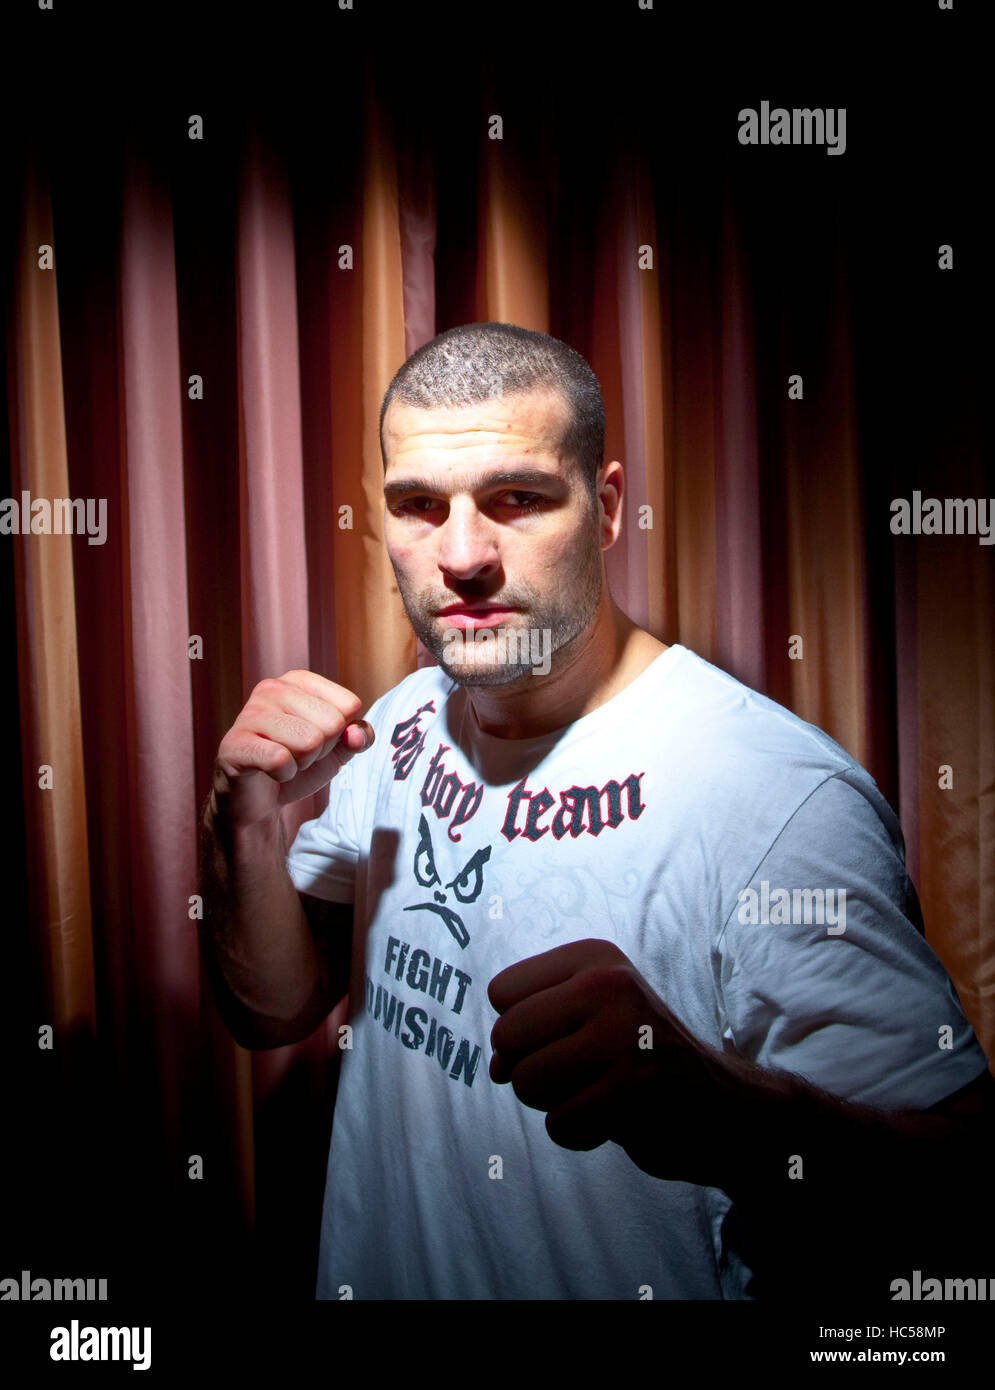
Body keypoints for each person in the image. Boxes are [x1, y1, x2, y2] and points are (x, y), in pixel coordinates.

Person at [200, 322, 994, 1301]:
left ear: (607, 506)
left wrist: (724, 1110)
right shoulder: (401, 719)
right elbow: (271, 1008)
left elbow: (960, 1190)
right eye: (417, 506)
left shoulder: (775, 798)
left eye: (516, 498)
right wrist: (239, 823)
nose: (460, 557)